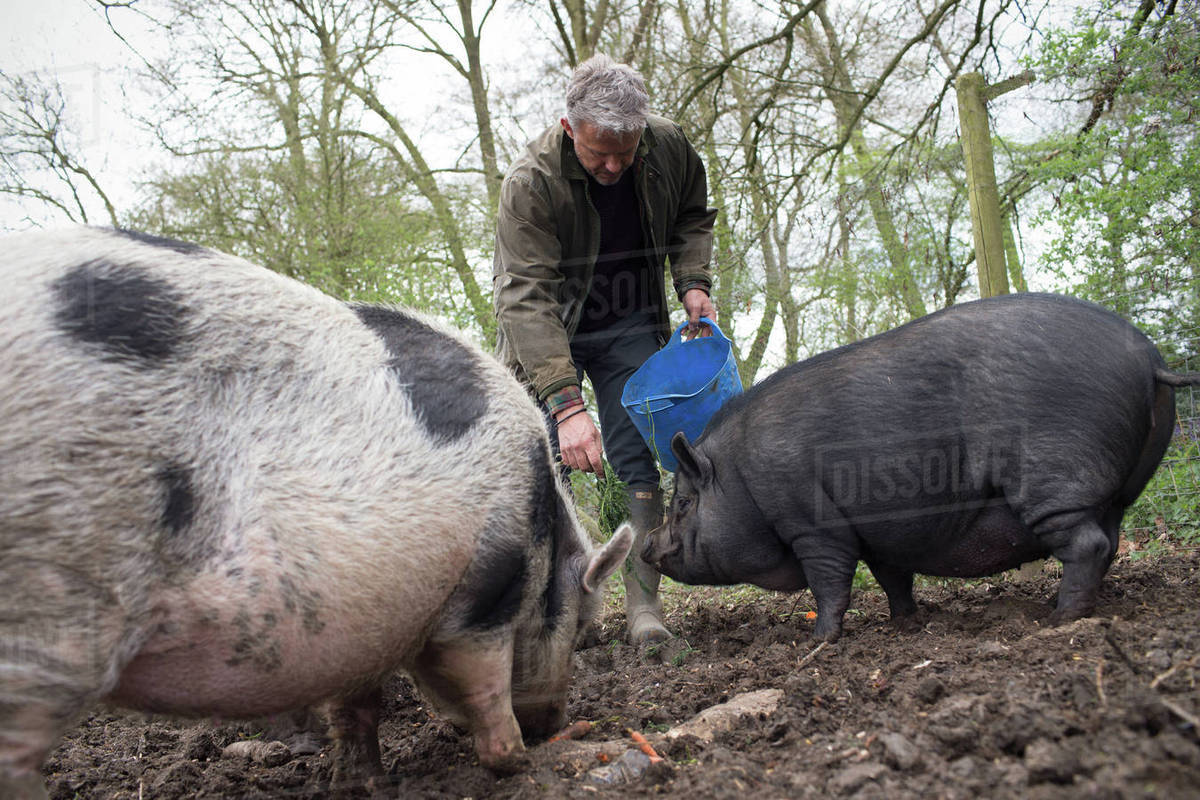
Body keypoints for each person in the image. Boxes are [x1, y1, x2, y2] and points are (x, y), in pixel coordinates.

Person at [492, 53, 718, 647]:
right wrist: (567, 407)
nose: (615, 164)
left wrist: (693, 280)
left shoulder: (668, 148)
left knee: (637, 453)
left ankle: (645, 608)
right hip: (547, 329)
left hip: (630, 322)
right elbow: (526, 297)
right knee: (542, 469)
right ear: (570, 129)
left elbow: (693, 214)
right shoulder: (531, 183)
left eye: (627, 150)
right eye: (600, 154)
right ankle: (559, 615)